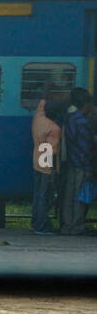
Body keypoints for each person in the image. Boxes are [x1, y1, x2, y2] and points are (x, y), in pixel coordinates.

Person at [58, 88, 93, 236]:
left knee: (68, 196)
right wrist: (89, 168)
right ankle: (77, 226)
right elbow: (85, 147)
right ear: (86, 104)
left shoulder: (69, 118)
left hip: (71, 162)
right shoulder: (83, 122)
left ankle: (67, 225)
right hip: (81, 164)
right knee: (79, 197)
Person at [31, 97, 63, 235]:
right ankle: (42, 225)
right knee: (45, 195)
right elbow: (52, 150)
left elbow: (41, 106)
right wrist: (51, 170)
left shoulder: (38, 119)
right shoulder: (54, 128)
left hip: (37, 159)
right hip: (46, 162)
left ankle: (36, 222)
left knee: (39, 194)